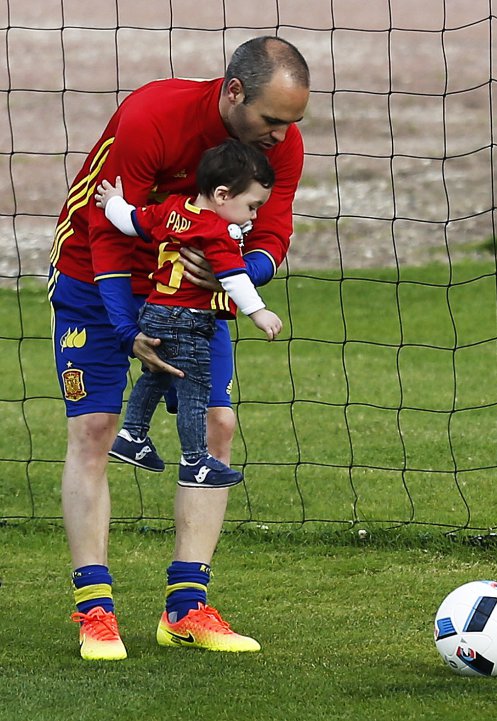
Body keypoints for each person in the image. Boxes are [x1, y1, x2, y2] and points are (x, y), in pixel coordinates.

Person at [48, 36, 309, 661]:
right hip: (96, 276)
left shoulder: (282, 143)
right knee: (95, 429)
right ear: (234, 91)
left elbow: (273, 234)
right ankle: (95, 610)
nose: (281, 136)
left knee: (218, 424)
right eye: (272, 120)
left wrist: (239, 274)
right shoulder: (153, 117)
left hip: (189, 293)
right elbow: (106, 229)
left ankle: (186, 608)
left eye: (292, 122)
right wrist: (125, 329)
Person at [95, 139, 283, 491]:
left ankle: (131, 435)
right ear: (222, 195)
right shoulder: (216, 234)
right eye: (252, 206)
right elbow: (233, 277)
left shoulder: (171, 209)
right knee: (195, 390)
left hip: (155, 311)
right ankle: (195, 461)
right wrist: (258, 312)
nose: (255, 217)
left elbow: (131, 221)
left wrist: (113, 202)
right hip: (188, 320)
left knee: (158, 374)